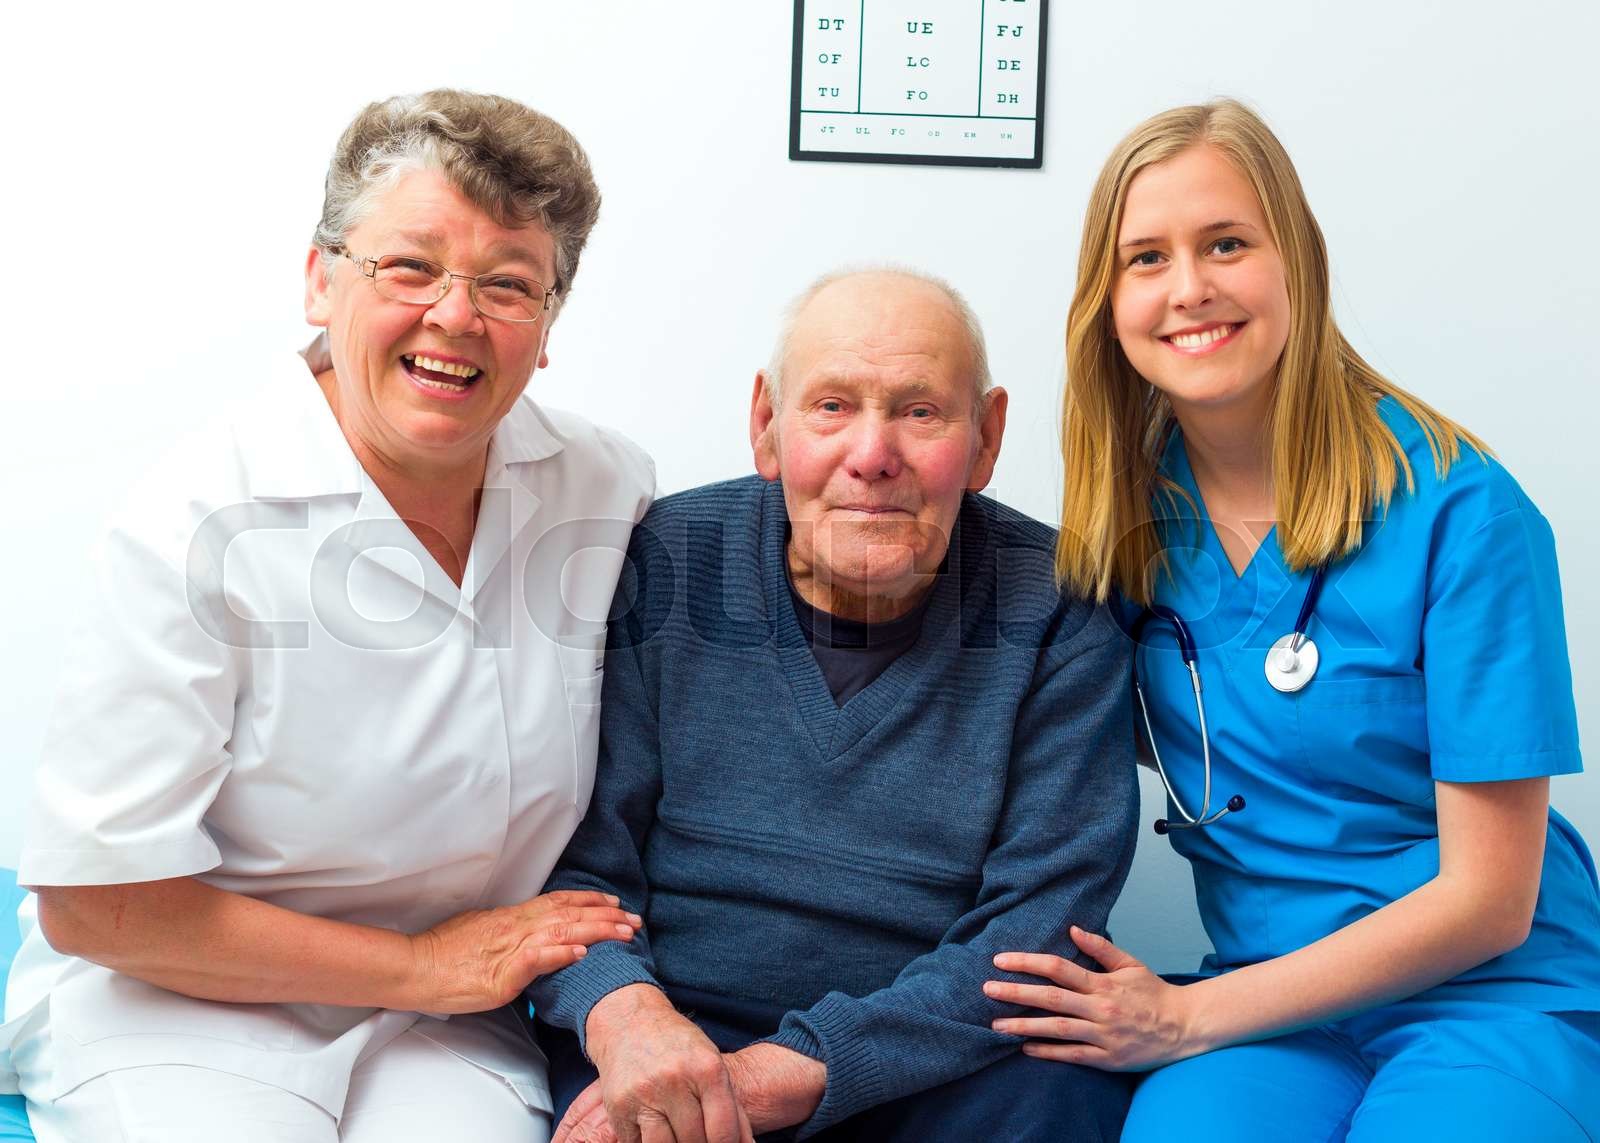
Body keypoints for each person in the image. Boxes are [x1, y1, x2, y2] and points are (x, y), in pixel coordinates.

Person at [0, 90, 654, 1142]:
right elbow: (95, 902)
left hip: (445, 1024)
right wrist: (424, 964)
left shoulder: (607, 489)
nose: (455, 314)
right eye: (409, 266)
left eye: (507, 284)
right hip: (181, 1001)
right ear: (319, 278)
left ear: (548, 326)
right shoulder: (194, 520)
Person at [981, 99, 1600, 1139]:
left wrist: (1182, 1019)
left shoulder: (1463, 512)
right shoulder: (1127, 526)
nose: (1189, 289)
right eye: (1146, 258)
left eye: (1226, 243)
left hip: (1489, 1000)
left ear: (1294, 261)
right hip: (1274, 1012)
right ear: (1107, 300)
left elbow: (1490, 901)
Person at [527, 268, 1140, 1142]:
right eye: (831, 406)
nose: (873, 452)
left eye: (920, 411)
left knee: (1062, 1092)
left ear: (988, 436)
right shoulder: (665, 557)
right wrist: (625, 1017)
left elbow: (1036, 933)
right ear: (766, 425)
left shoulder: (1059, 607)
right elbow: (572, 857)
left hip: (932, 1060)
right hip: (668, 1036)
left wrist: (787, 1073)